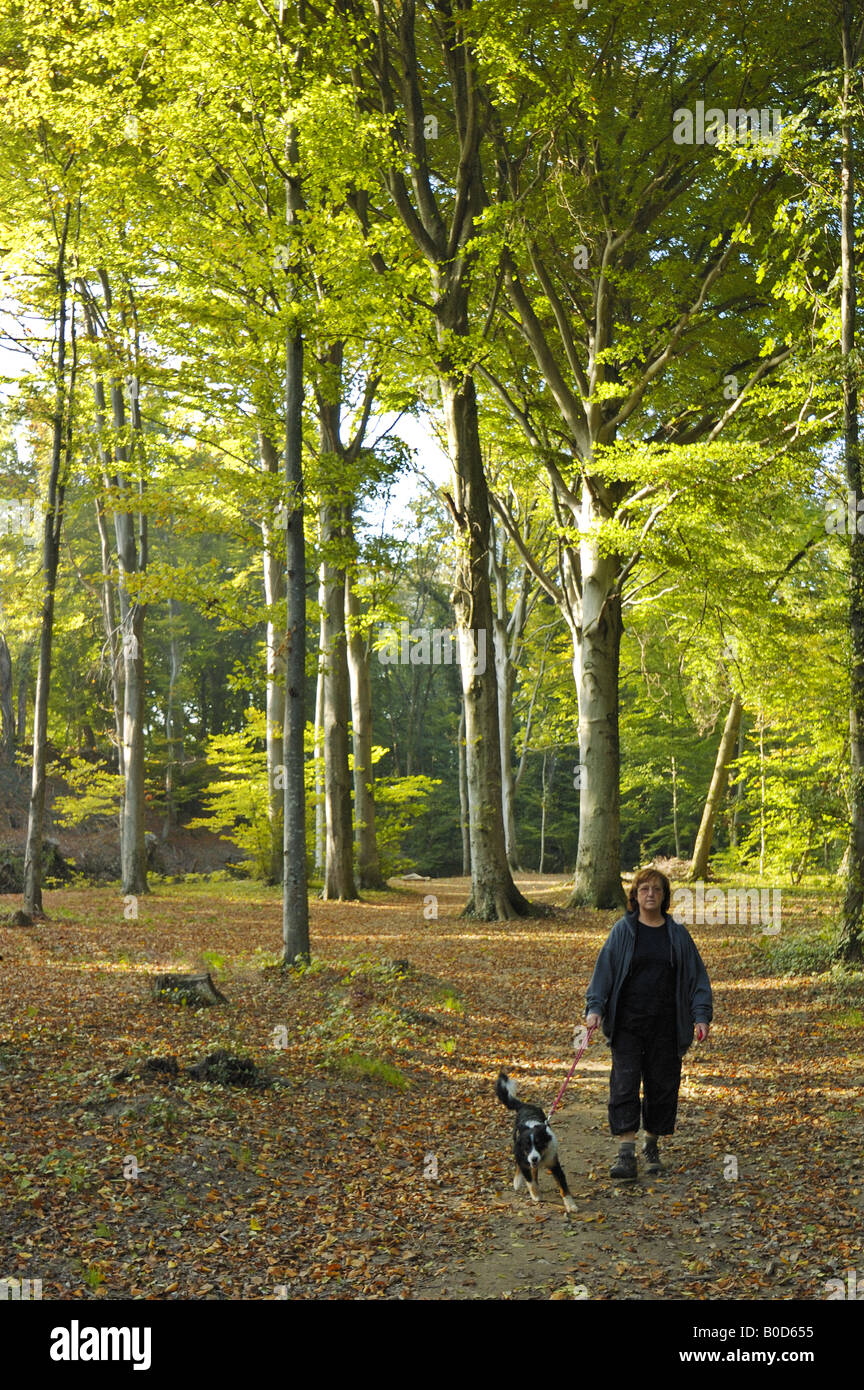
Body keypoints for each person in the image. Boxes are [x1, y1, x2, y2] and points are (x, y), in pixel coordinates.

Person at [584, 867, 713, 1181]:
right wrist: (595, 1007)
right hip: (628, 1023)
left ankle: (651, 1147)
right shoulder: (623, 931)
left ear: (664, 896)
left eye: (656, 889)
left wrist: (701, 1015)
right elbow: (604, 972)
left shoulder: (677, 933)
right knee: (624, 1085)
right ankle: (626, 1154)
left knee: (661, 1088)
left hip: (667, 1025)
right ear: (635, 895)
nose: (650, 894)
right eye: (644, 889)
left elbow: (697, 978)